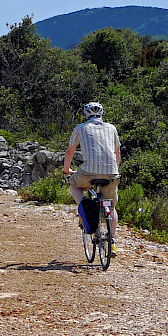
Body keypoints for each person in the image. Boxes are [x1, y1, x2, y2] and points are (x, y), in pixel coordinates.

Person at [62, 101, 121, 256]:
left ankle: (85, 211)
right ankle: (112, 242)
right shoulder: (112, 128)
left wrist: (67, 169)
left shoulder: (81, 128)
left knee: (75, 184)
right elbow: (117, 155)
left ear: (86, 115)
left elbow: (70, 152)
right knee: (112, 207)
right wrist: (113, 170)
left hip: (89, 173)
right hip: (112, 173)